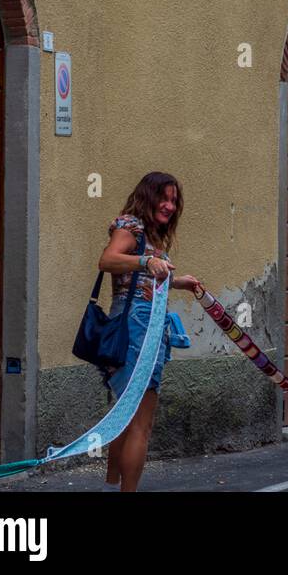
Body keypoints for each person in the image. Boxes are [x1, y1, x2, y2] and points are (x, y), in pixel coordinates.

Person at [98, 172, 200, 492]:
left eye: (174, 201)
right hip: (138, 329)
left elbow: (141, 280)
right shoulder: (132, 227)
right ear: (148, 196)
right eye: (163, 198)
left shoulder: (150, 234)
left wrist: (178, 282)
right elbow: (108, 260)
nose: (169, 206)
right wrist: (146, 261)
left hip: (137, 325)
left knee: (125, 418)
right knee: (141, 423)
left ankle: (111, 487)